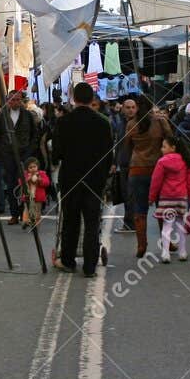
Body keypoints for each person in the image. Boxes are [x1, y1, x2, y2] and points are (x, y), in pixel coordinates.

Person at [51, 81, 114, 276]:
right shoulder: (103, 123)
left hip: (70, 179)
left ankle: (68, 261)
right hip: (94, 180)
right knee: (92, 223)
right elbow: (108, 155)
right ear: (91, 98)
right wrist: (103, 176)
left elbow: (56, 154)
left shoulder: (63, 122)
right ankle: (90, 266)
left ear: (74, 98)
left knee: (71, 222)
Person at [122, 94, 171, 257]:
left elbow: (126, 146)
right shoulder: (160, 121)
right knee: (162, 207)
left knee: (139, 208)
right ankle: (167, 242)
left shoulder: (131, 124)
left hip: (137, 168)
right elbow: (171, 140)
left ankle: (141, 245)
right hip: (158, 168)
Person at [0, 90, 41, 223]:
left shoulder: (28, 115)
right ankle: (14, 214)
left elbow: (34, 135)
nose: (15, 102)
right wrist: (2, 149)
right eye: (12, 100)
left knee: (24, 184)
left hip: (24, 154)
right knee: (11, 184)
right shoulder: (2, 116)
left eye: (17, 100)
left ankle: (25, 213)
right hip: (8, 155)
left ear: (21, 100)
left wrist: (29, 151)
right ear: (8, 101)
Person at [148, 134, 190, 263]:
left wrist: (151, 197)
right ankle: (182, 252)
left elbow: (156, 181)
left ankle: (165, 253)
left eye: (164, 146)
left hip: (166, 198)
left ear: (173, 147)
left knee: (167, 226)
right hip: (181, 198)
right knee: (180, 226)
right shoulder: (186, 161)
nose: (162, 149)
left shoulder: (162, 162)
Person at [111, 96, 134, 232]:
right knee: (125, 194)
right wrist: (114, 163)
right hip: (124, 163)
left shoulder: (138, 124)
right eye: (128, 107)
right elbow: (118, 145)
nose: (131, 110)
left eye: (133, 107)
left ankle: (130, 223)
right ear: (123, 109)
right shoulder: (121, 124)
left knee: (131, 194)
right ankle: (130, 222)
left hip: (135, 164)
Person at [20, 158, 50, 230]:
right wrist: (28, 179)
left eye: (34, 166)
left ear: (37, 166)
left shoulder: (41, 174)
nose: (33, 169)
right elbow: (20, 182)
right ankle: (25, 221)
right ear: (27, 168)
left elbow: (47, 183)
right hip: (28, 196)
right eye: (30, 167)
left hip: (38, 198)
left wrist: (40, 180)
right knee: (26, 209)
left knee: (37, 212)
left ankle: (36, 225)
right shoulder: (26, 174)